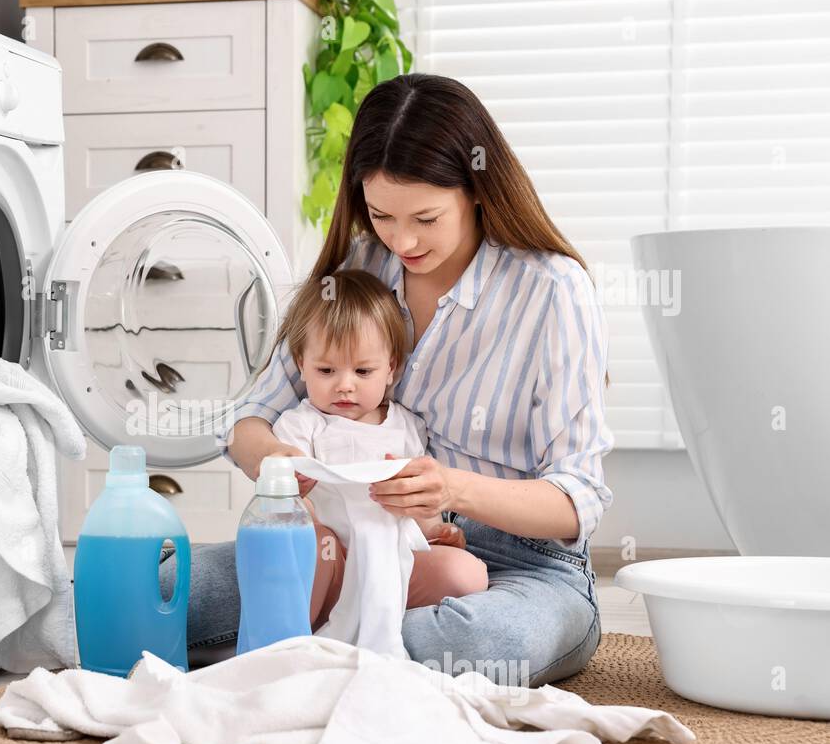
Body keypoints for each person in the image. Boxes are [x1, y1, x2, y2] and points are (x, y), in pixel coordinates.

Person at [163, 72, 614, 688]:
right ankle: (324, 644)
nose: (401, 240)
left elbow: (576, 501)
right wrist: (277, 462)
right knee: (165, 589)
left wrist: (451, 489)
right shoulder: (360, 269)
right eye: (381, 215)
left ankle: (294, 647)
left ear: (479, 190)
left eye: (426, 218)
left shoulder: (553, 290)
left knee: (482, 641)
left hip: (524, 565)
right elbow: (248, 421)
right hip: (348, 543)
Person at [265, 268, 489, 631]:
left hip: (392, 559)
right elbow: (284, 504)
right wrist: (296, 496)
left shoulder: (405, 427)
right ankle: (297, 633)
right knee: (310, 543)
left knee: (467, 574)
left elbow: (417, 501)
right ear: (301, 364)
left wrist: (433, 528)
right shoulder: (301, 425)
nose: (344, 386)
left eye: (363, 371)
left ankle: (376, 605)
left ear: (391, 369)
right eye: (326, 370)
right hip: (332, 559)